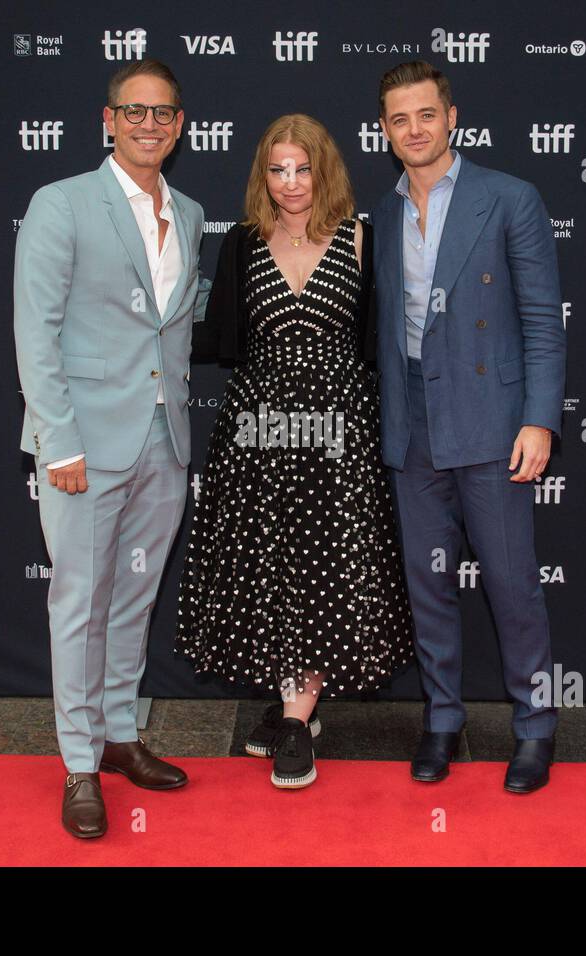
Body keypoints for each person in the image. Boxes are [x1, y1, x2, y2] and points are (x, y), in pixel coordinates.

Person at [176, 114, 414, 790]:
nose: (290, 183)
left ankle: (294, 717)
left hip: (338, 433)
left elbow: (382, 339)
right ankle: (295, 710)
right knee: (269, 568)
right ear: (263, 175)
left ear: (324, 169)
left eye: (302, 168)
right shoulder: (244, 244)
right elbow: (215, 334)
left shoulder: (363, 239)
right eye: (277, 169)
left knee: (325, 566)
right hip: (257, 432)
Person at [13, 59, 205, 839]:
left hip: (164, 436)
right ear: (109, 119)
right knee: (80, 604)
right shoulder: (61, 204)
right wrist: (57, 439)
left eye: (163, 113)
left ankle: (121, 735)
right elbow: (37, 332)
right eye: (135, 112)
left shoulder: (188, 212)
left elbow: (172, 329)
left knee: (133, 599)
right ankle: (79, 763)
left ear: (180, 124)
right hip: (82, 444)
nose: (149, 124)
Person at [370, 61, 566, 793]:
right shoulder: (384, 213)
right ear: (384, 129)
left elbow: (543, 322)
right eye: (399, 118)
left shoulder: (510, 199)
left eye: (426, 114)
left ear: (452, 116)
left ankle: (536, 727)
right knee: (428, 585)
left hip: (492, 422)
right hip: (413, 422)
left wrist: (539, 420)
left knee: (513, 584)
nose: (414, 130)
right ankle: (443, 719)